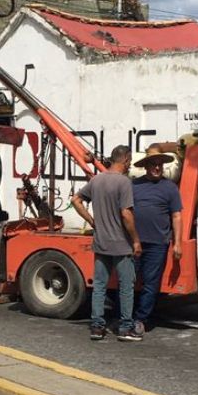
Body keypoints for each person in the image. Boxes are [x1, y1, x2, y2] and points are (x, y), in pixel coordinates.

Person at [71, 145, 142, 342]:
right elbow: (126, 214)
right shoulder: (124, 182)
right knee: (126, 286)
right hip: (121, 244)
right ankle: (126, 328)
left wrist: (92, 221)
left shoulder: (96, 180)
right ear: (126, 159)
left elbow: (76, 200)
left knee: (100, 285)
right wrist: (136, 240)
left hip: (101, 242)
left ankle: (96, 326)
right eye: (129, 161)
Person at [129, 144, 182, 340]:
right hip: (134, 242)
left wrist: (178, 243)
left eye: (159, 163)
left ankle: (140, 320)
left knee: (151, 284)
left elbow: (176, 216)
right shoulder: (134, 185)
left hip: (158, 244)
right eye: (153, 163)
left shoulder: (170, 188)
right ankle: (126, 317)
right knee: (129, 281)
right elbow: (125, 212)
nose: (157, 167)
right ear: (146, 166)